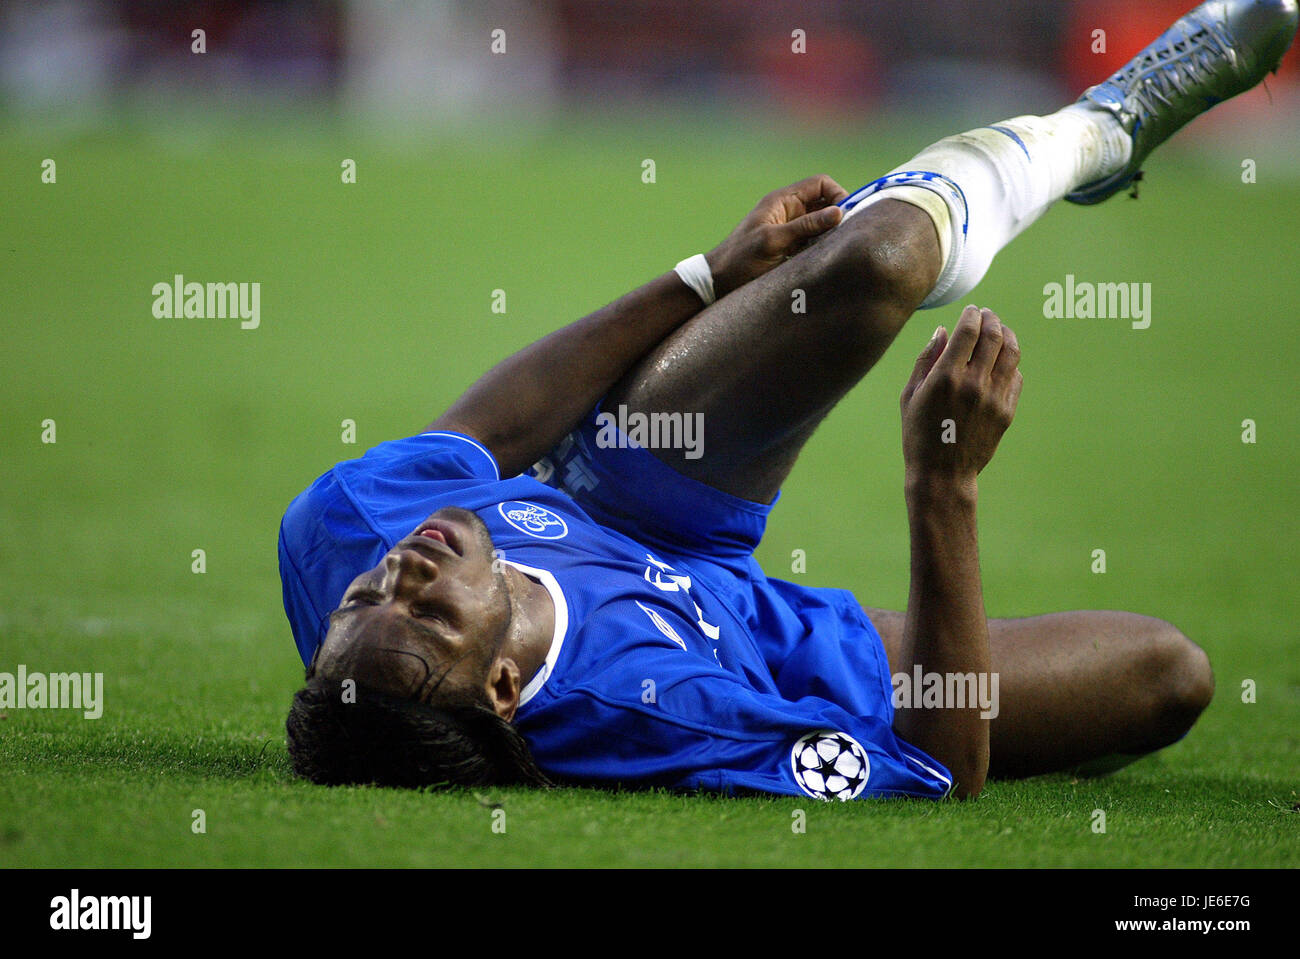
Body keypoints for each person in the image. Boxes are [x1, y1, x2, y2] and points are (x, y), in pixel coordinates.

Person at [279, 0, 1296, 800]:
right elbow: (941, 771)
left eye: (365, 596)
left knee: (876, 264)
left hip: (629, 483)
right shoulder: (667, 717)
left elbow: (488, 430)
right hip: (771, 645)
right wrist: (941, 486)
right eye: (425, 610)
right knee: (1168, 674)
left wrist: (705, 276)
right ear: (502, 686)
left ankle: (1096, 128)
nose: (399, 571)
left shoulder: (340, 533)